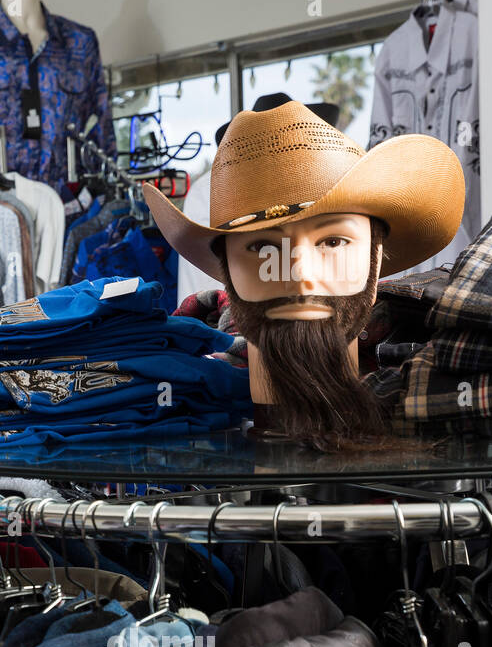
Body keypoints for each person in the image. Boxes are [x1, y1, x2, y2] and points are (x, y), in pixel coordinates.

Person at [143, 100, 463, 449]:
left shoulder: (437, 374)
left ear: (376, 257)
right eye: (263, 249)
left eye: (333, 241)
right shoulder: (180, 392)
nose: (302, 277)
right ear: (227, 272)